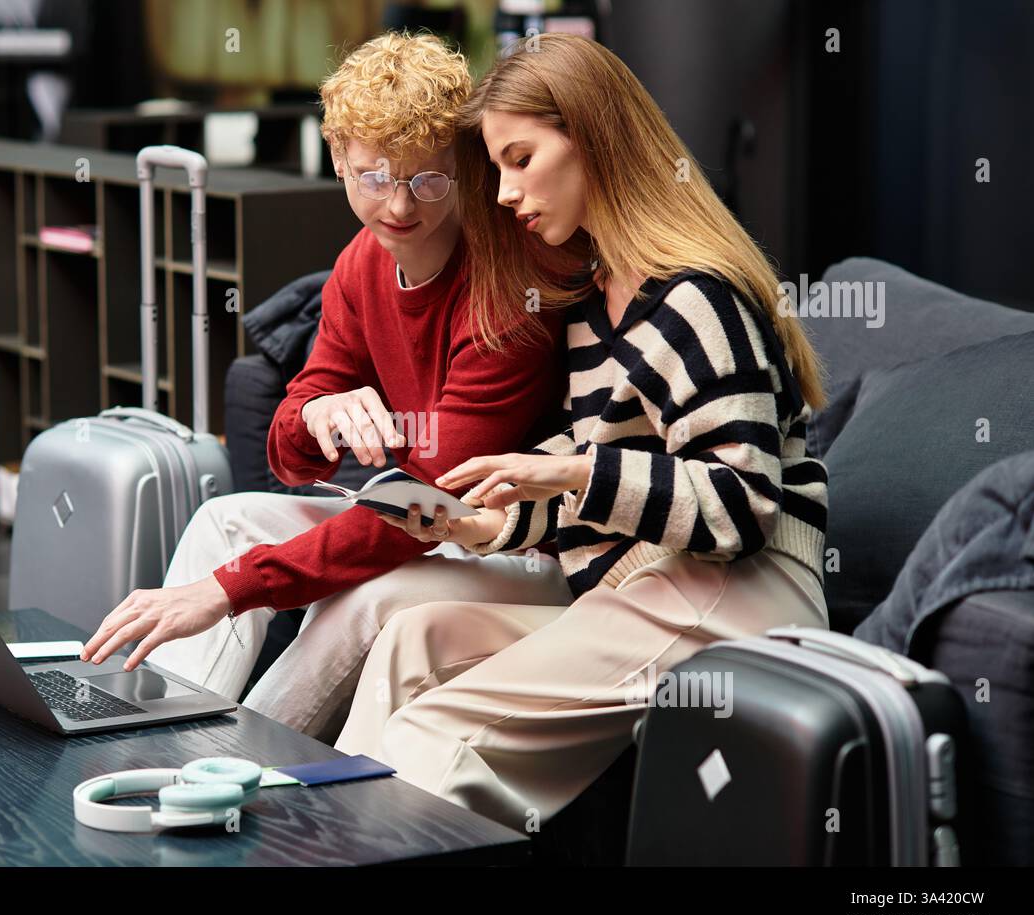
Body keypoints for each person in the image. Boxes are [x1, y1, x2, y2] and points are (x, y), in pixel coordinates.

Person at [334, 33, 831, 830]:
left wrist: (566, 475)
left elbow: (741, 508)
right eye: (495, 168)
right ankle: (324, 843)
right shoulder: (597, 298)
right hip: (649, 584)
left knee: (435, 733)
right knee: (411, 641)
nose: (501, 193)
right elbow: (611, 470)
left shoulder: (695, 296)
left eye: (520, 158)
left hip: (741, 594)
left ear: (593, 138)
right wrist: (495, 521)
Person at [78, 32, 574, 741]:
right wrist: (315, 413)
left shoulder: (505, 291)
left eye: (428, 180)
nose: (400, 207)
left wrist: (224, 593)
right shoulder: (361, 265)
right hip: (430, 526)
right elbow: (290, 460)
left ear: (465, 169)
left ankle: (226, 770)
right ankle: (151, 739)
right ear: (338, 158)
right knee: (223, 522)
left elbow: (429, 505)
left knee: (362, 595)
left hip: (520, 548)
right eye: (375, 177)